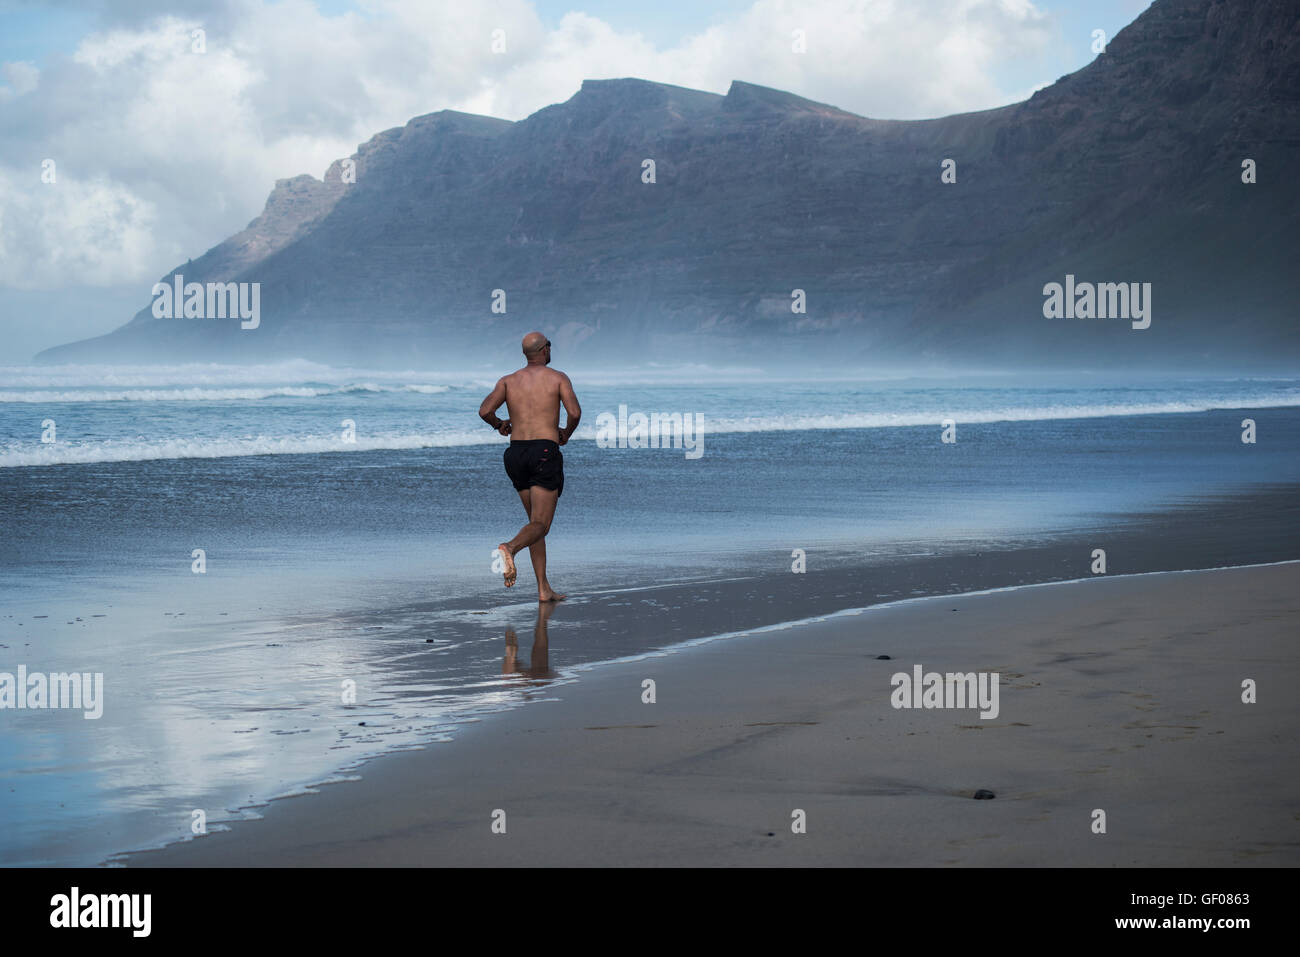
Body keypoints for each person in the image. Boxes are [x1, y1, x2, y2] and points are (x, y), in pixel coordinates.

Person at [478, 332, 581, 601]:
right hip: (543, 451)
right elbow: (575, 413)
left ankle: (543, 589)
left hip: (516, 453)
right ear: (545, 350)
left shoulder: (508, 381)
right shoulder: (557, 377)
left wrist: (500, 425)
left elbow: (484, 410)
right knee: (540, 525)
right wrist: (566, 434)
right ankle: (510, 547)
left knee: (533, 524)